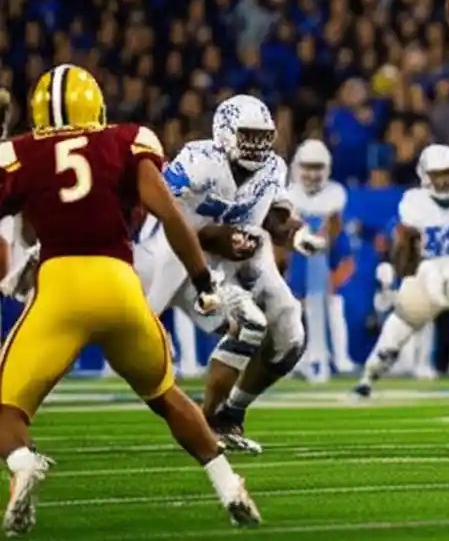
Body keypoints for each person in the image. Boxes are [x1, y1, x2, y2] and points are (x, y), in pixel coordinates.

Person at [0, 64, 259, 534]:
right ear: (95, 105)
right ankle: (228, 484)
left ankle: (21, 464)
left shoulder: (20, 152)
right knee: (166, 396)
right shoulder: (126, 140)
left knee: (5, 409)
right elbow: (170, 214)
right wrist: (203, 282)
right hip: (119, 285)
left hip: (60, 286)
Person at [134, 95, 326, 453]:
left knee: (290, 335)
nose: (257, 144)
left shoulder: (273, 168)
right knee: (249, 324)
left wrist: (299, 236)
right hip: (180, 258)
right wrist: (210, 233)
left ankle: (230, 414)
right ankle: (206, 422)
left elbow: (274, 215)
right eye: (248, 135)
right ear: (225, 132)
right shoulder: (199, 159)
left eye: (262, 136)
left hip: (239, 258)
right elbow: (157, 204)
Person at [353, 145, 449, 397]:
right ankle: (370, 374)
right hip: (430, 276)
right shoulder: (414, 202)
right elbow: (405, 246)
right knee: (400, 323)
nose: (442, 180)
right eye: (436, 174)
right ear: (424, 176)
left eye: (447, 173)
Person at [287, 139, 355, 381]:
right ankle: (299, 359)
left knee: (331, 306)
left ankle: (329, 358)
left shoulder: (335, 194)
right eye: (307, 167)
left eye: (317, 167)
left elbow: (333, 234)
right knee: (291, 310)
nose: (312, 174)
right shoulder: (288, 194)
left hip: (327, 260)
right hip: (295, 261)